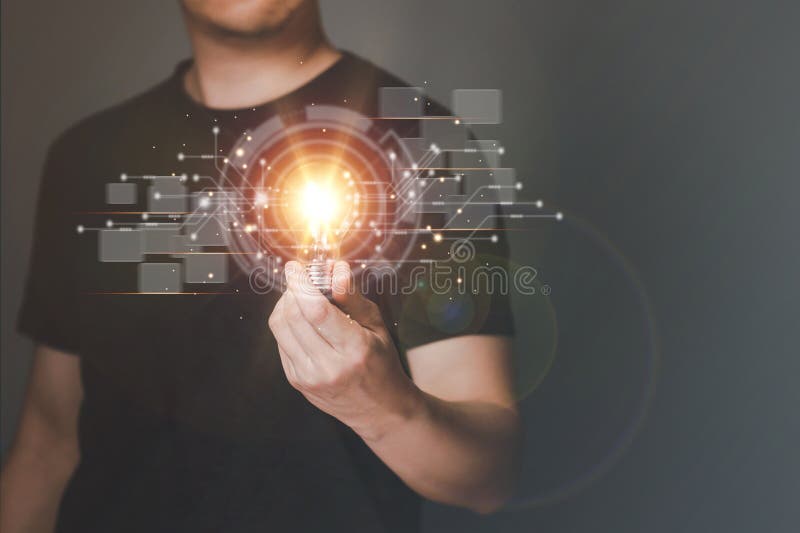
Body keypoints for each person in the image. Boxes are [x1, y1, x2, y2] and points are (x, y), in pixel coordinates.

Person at [0, 1, 521, 532]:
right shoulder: (88, 160)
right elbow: (47, 442)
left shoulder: (428, 142)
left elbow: (486, 477)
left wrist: (381, 407)